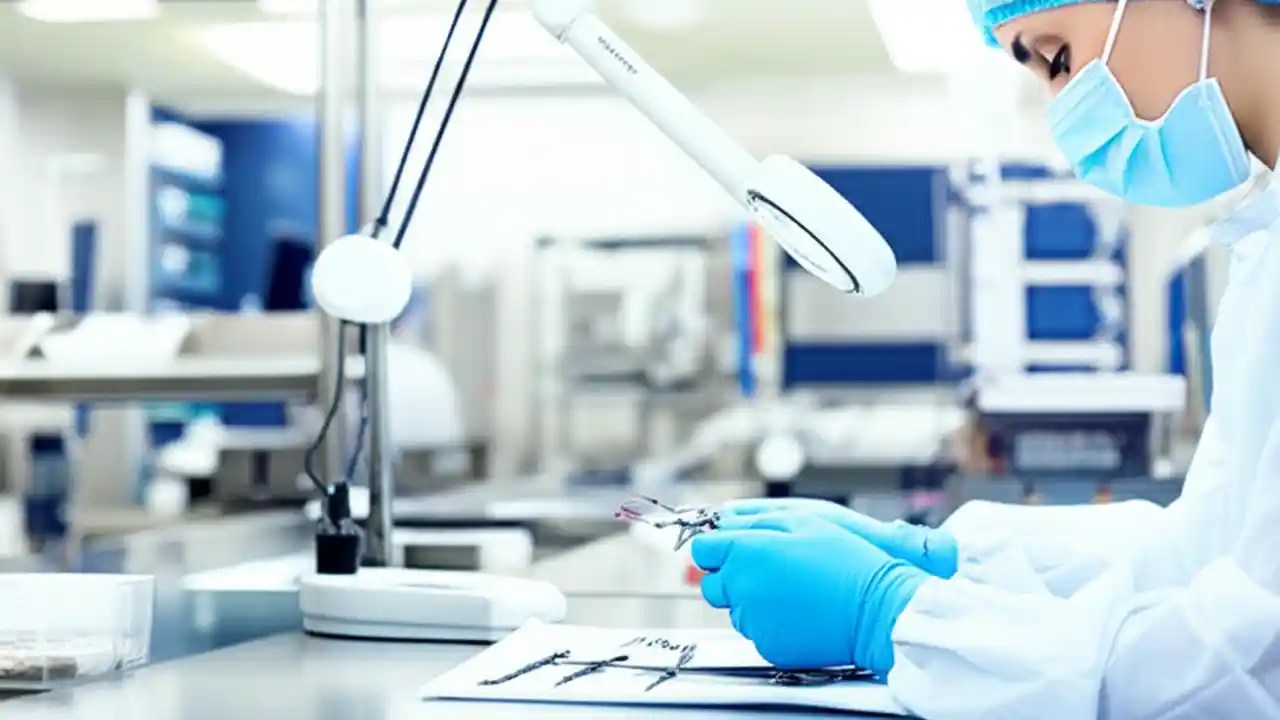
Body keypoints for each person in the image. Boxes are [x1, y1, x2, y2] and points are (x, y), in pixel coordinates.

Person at [690, 1, 1280, 718]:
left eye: (1058, 59)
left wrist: (896, 617)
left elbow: (1250, 665)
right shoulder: (1264, 240)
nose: (1068, 125)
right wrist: (946, 560)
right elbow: (1204, 556)